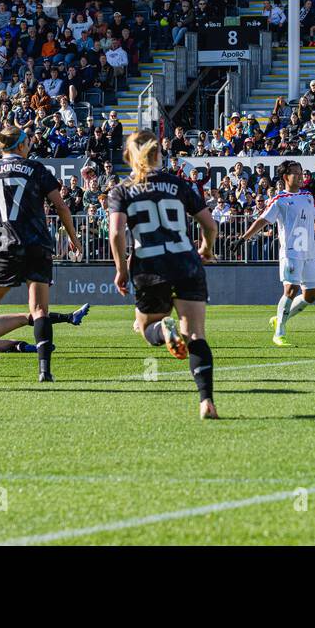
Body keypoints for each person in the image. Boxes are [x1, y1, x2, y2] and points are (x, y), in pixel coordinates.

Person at [0, 125, 82, 383]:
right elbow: (62, 207)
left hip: (4, 245)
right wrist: (74, 238)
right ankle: (44, 371)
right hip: (37, 245)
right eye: (27, 141)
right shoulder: (37, 169)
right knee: (40, 309)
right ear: (20, 145)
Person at [109, 130, 220, 420]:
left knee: (147, 330)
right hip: (185, 261)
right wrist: (206, 249)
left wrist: (121, 269)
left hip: (149, 266)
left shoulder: (121, 190)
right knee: (196, 334)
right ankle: (206, 401)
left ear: (128, 156)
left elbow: (116, 233)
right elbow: (209, 225)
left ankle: (163, 330)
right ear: (159, 154)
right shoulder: (179, 184)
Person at [237, 160, 315, 347]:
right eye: (295, 173)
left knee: (311, 295)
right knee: (291, 290)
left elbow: (313, 219)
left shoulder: (308, 196)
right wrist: (244, 238)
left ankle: (279, 318)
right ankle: (279, 333)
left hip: (309, 251)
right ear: (286, 177)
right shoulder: (279, 199)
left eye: (301, 172)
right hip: (291, 252)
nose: (300, 176)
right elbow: (262, 221)